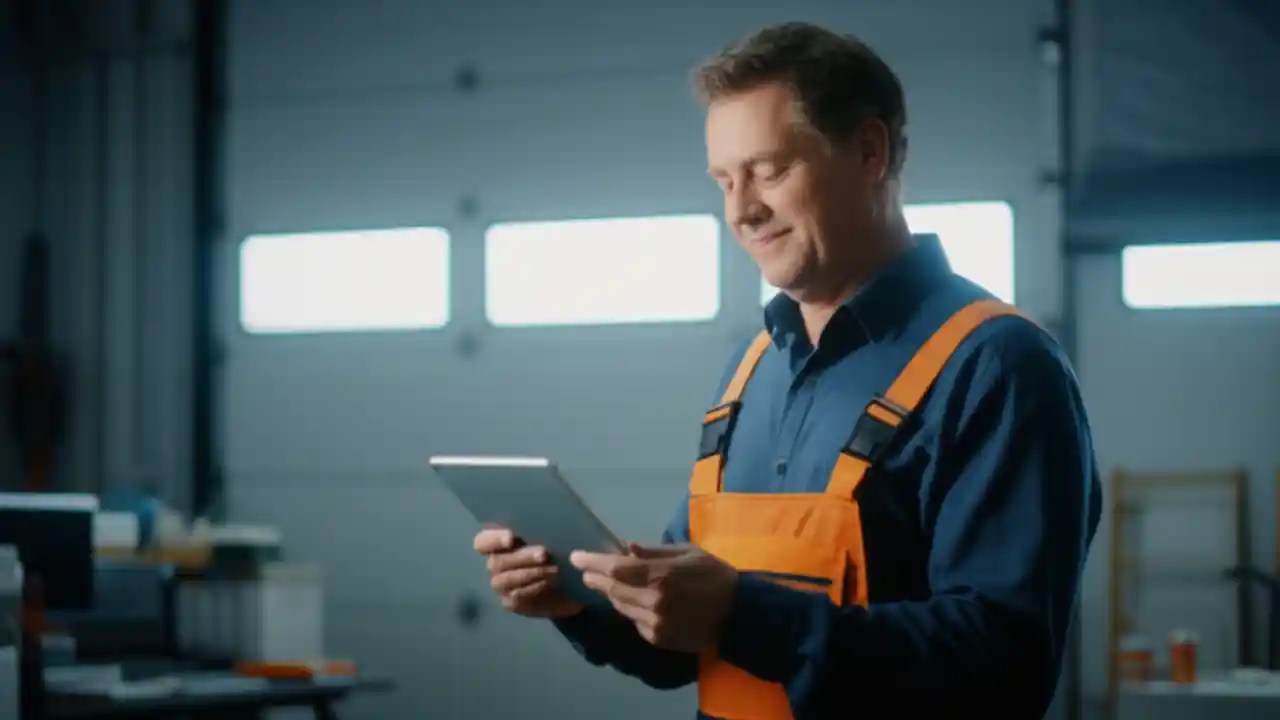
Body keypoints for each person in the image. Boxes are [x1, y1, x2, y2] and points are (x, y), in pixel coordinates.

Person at [473, 21, 1101, 719]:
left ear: (869, 152)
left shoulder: (998, 366)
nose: (742, 210)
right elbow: (687, 650)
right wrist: (585, 604)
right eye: (724, 180)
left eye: (770, 170)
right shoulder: (750, 374)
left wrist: (744, 614)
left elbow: (1005, 666)